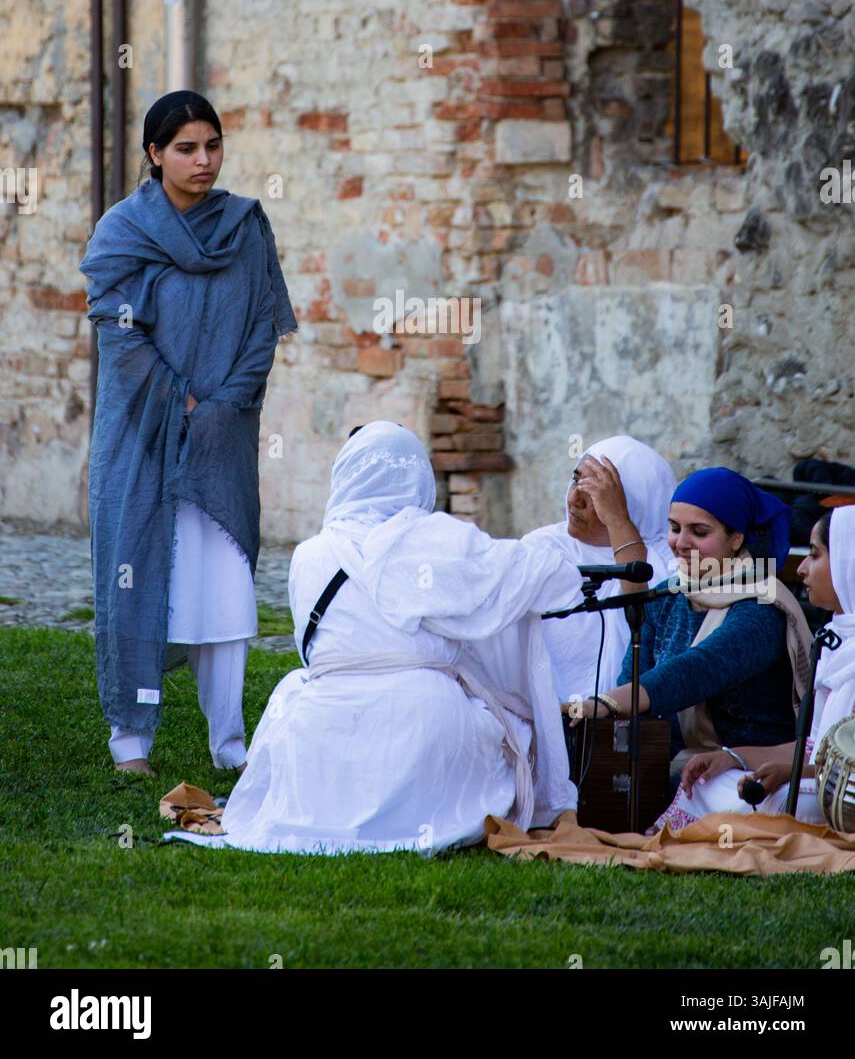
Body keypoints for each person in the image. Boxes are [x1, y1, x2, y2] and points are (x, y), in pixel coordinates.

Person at [164, 420, 583, 854]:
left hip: (318, 727)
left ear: (345, 474)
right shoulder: (437, 543)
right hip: (425, 721)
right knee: (501, 729)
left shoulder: (308, 554)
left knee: (294, 689)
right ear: (418, 477)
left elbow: (312, 655)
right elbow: (526, 576)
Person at [79, 90, 298, 777]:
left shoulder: (244, 226)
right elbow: (120, 335)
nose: (203, 161)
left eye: (212, 146)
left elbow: (264, 326)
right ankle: (130, 740)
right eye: (185, 149)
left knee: (223, 586)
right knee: (136, 573)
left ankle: (228, 742)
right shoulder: (122, 231)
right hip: (142, 436)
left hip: (223, 437)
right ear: (154, 154)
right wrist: (183, 401)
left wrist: (224, 406)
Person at [567, 467, 812, 786]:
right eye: (673, 528)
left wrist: (607, 702)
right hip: (674, 762)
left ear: (736, 538)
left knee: (712, 793)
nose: (680, 543)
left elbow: (699, 669)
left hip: (745, 771)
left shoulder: (762, 605)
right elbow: (633, 675)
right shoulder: (670, 593)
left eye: (698, 532)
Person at [653, 506, 855, 829]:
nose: (801, 569)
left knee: (788, 799)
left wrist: (791, 772)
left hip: (836, 793)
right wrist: (730, 757)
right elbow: (811, 748)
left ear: (849, 562)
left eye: (814, 555)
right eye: (674, 528)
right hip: (814, 781)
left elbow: (841, 764)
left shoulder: (763, 611)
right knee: (710, 783)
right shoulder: (837, 642)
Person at [523, 436, 676, 702]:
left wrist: (617, 521)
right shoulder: (544, 547)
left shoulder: (667, 561)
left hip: (625, 722)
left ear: (633, 503)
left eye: (596, 492)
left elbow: (643, 615)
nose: (575, 499)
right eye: (576, 480)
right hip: (541, 717)